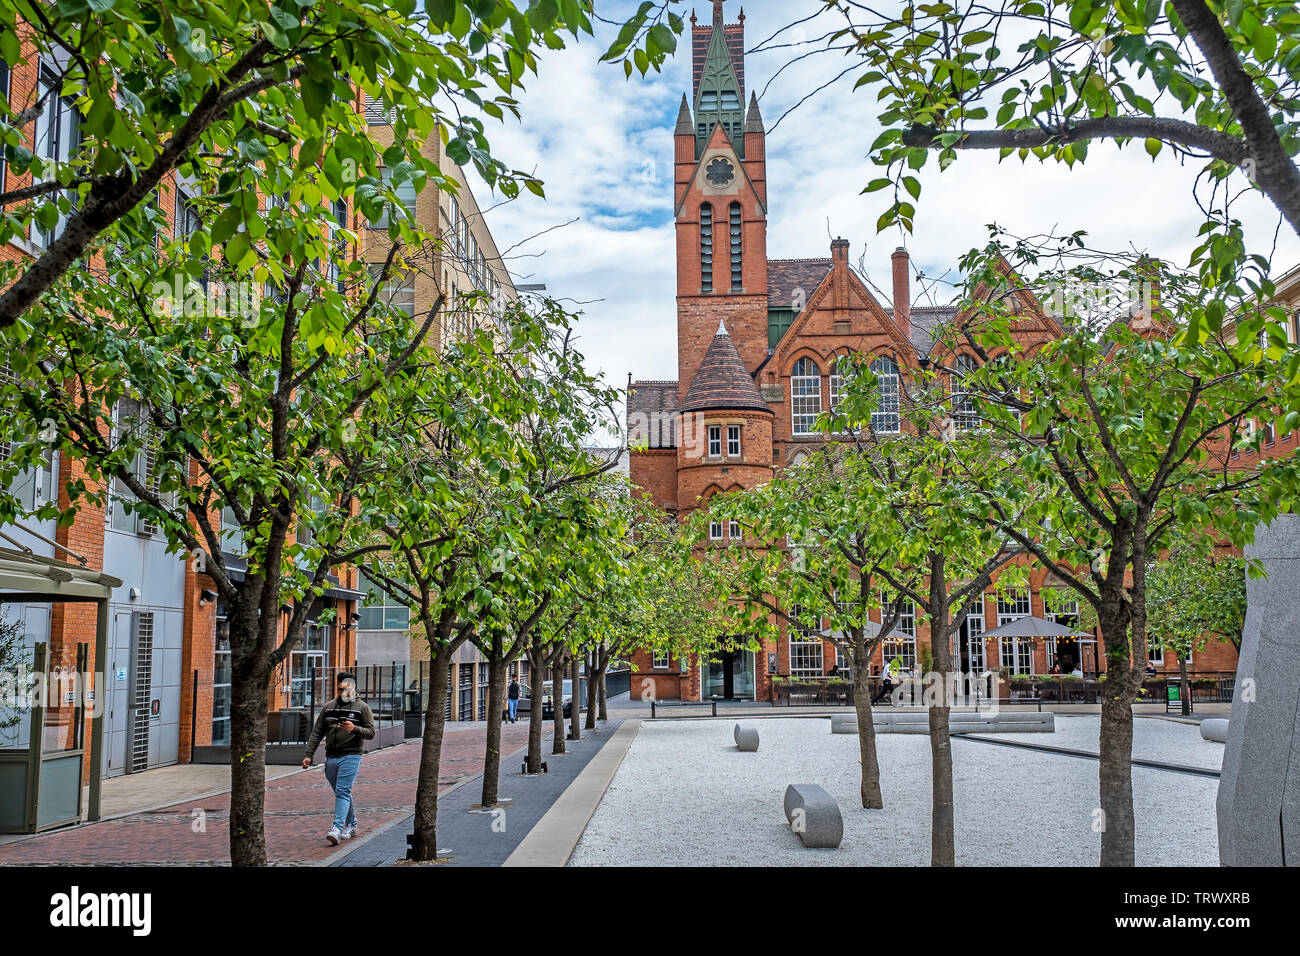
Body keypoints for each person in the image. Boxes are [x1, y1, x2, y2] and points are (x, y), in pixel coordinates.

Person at [302, 672, 375, 845]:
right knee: (342, 792)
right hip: (332, 757)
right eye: (340, 689)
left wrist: (354, 729)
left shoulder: (362, 708)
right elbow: (317, 732)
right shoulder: (329, 707)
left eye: (347, 689)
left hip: (351, 755)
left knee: (342, 791)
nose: (343, 692)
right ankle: (353, 823)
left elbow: (371, 733)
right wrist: (308, 754)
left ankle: (337, 828)